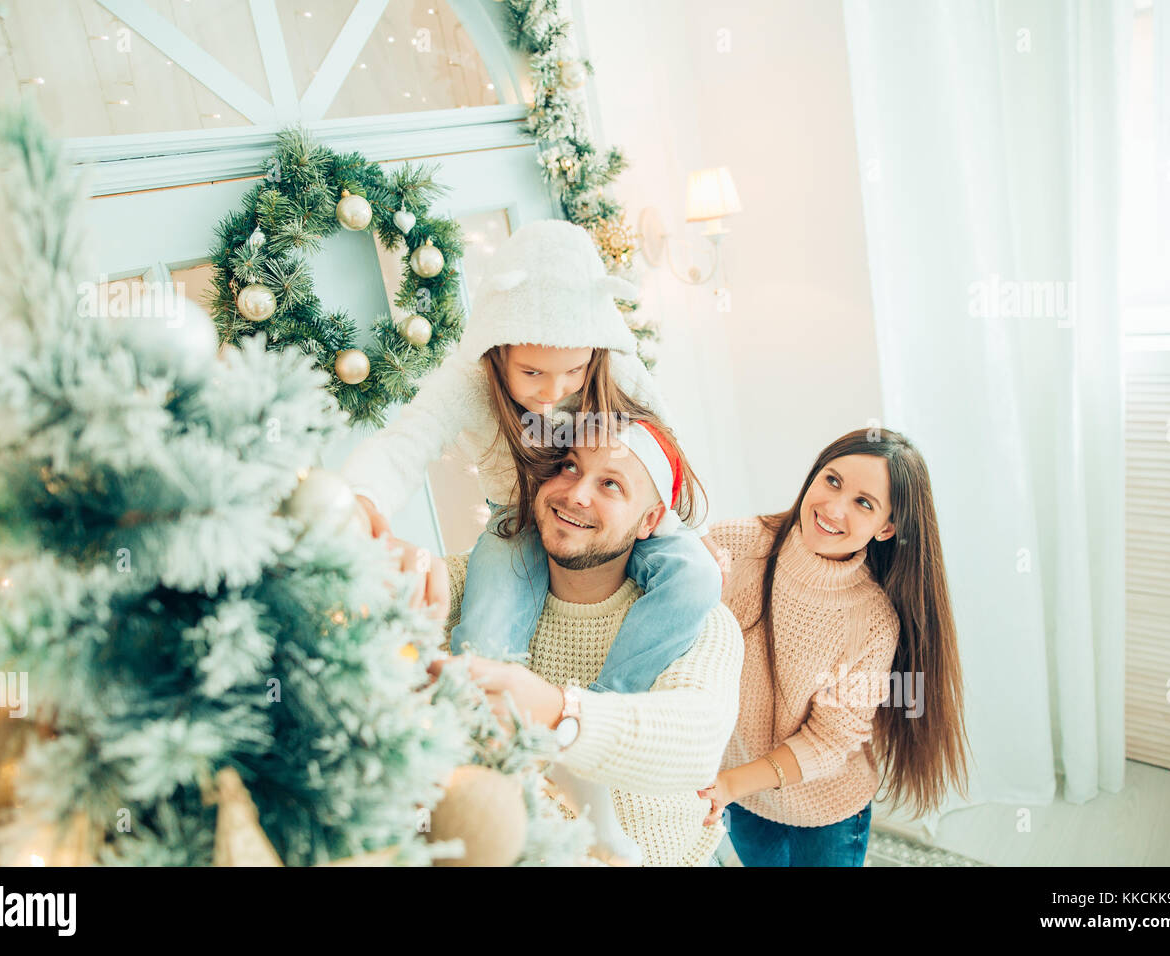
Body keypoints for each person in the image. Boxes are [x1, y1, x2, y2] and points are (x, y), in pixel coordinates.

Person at [343, 219, 723, 694]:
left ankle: (607, 701)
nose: (552, 392)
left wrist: (698, 530)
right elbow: (406, 441)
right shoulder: (468, 379)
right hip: (519, 516)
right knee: (485, 634)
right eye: (532, 372)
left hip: (617, 511)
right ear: (497, 352)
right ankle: (483, 724)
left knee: (698, 578)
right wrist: (363, 498)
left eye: (573, 372)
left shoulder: (615, 364)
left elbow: (670, 445)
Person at [419, 413, 743, 866]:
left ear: (650, 520)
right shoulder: (476, 582)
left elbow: (698, 738)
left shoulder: (703, 621)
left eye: (611, 484)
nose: (576, 493)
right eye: (568, 466)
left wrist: (560, 714)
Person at [698, 427, 970, 867]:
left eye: (864, 503)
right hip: (744, 799)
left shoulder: (873, 620)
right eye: (832, 481)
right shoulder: (736, 544)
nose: (833, 507)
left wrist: (728, 783)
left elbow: (829, 740)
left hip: (827, 811)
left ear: (887, 528)